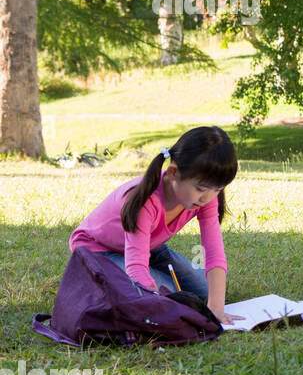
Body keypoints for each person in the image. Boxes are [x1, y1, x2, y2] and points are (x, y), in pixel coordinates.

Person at [69, 126, 241, 324]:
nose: (208, 198)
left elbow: (213, 252)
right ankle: (93, 281)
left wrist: (216, 307)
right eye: (201, 188)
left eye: (217, 189)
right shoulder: (146, 201)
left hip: (149, 247)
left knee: (205, 290)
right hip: (97, 251)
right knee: (170, 295)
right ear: (174, 173)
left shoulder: (206, 196)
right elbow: (136, 267)